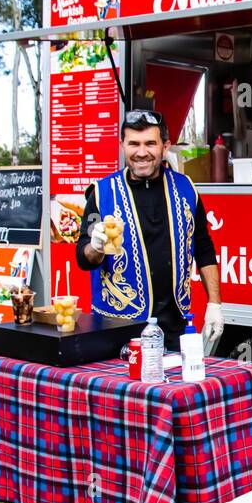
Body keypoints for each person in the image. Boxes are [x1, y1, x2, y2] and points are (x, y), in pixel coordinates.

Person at [76, 109, 223, 350]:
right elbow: (83, 258)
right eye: (133, 143)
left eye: (150, 144)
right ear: (122, 145)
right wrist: (96, 246)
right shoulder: (101, 193)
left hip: (173, 328)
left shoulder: (186, 189)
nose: (141, 152)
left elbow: (204, 248)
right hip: (116, 330)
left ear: (165, 147)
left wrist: (215, 304)